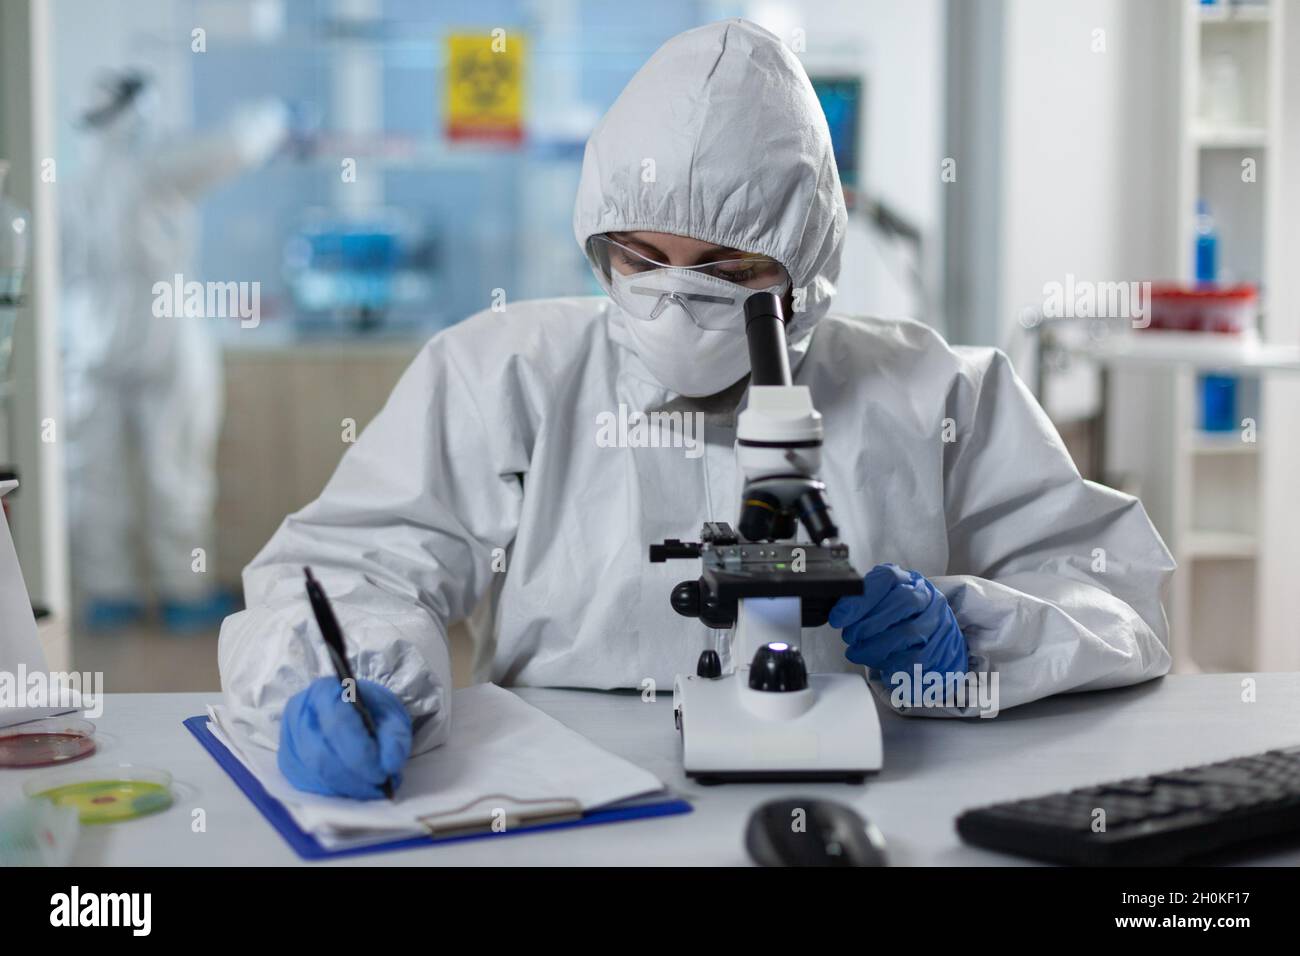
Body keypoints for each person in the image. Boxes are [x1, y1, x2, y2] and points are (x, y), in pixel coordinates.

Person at [220, 20, 1173, 799]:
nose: (677, 300)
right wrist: (354, 682)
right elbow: (354, 568)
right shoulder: (503, 371)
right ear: (596, 237)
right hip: (563, 803)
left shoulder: (941, 392)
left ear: (807, 265)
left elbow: (1111, 588)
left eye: (727, 270)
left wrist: (975, 635)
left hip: (871, 796)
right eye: (640, 256)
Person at [62, 71, 287, 634]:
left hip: (90, 334)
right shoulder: (151, 165)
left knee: (95, 474)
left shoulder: (66, 182)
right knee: (176, 466)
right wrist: (277, 116)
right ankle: (182, 592)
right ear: (137, 111)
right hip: (164, 326)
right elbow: (233, 148)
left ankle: (109, 592)